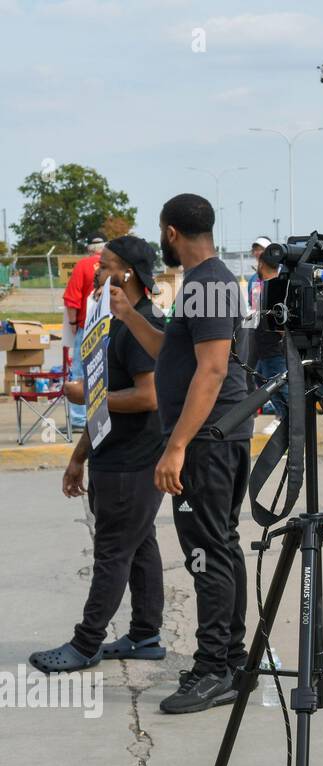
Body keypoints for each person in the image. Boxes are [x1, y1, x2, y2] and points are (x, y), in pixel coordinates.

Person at [111, 193, 253, 715]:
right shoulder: (202, 283)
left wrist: (175, 447)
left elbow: (212, 371)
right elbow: (170, 352)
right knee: (222, 546)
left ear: (171, 233)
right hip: (211, 440)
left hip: (207, 443)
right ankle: (233, 661)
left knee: (208, 554)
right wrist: (127, 315)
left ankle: (215, 668)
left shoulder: (211, 283)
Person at [29, 237, 167, 673]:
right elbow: (105, 401)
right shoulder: (114, 322)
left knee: (112, 552)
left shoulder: (142, 325)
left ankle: (85, 643)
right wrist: (79, 456)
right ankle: (145, 634)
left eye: (104, 266)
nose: (94, 273)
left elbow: (149, 397)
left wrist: (90, 394)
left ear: (128, 274)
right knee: (139, 545)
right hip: (113, 455)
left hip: (133, 462)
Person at [63, 235, 106, 430]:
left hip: (87, 326)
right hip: (111, 323)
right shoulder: (117, 264)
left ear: (90, 249)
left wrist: (73, 321)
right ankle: (104, 414)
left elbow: (72, 298)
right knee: (107, 369)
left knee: (80, 370)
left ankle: (78, 418)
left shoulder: (82, 265)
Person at [247, 235, 286, 432]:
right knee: (261, 381)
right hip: (261, 343)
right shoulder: (255, 281)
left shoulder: (279, 283)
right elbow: (254, 310)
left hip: (274, 347)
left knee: (278, 385)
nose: (257, 254)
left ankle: (286, 423)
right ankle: (283, 421)